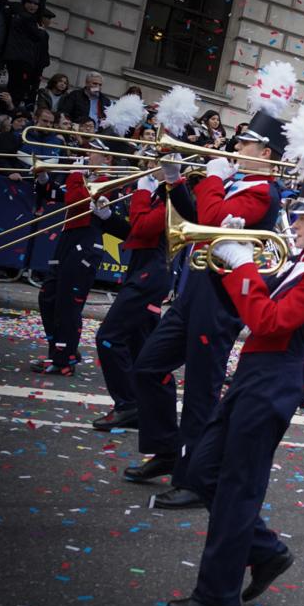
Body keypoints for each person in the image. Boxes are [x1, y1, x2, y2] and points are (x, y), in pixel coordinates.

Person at [164, 171, 304, 606]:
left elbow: (268, 320)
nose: (294, 221)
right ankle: (265, 550)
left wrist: (243, 265)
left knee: (237, 487)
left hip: (274, 379)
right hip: (255, 373)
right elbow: (245, 302)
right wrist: (226, 260)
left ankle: (217, 593)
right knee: (201, 468)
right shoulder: (302, 260)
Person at [126, 71, 294, 509]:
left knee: (201, 391)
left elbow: (214, 215)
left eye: (245, 144)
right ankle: (165, 448)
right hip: (193, 289)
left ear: (266, 152)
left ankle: (195, 480)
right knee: (147, 367)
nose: (236, 148)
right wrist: (175, 181)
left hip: (220, 298)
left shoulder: (263, 192)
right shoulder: (239, 182)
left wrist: (212, 180)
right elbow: (197, 220)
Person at [92, 159, 196, 430]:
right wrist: (107, 218)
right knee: (142, 348)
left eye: (155, 164)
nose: (148, 168)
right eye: (149, 163)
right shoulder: (157, 194)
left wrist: (140, 191)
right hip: (144, 270)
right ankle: (144, 407)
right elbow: (136, 235)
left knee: (108, 338)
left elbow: (142, 227)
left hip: (150, 275)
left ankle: (128, 404)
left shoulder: (171, 198)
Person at [31, 140, 118, 375]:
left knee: (68, 303)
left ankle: (64, 359)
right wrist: (43, 177)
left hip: (87, 243)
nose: (87, 155)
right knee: (48, 295)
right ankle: (60, 351)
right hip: (68, 240)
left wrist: (76, 173)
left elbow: (76, 200)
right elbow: (56, 194)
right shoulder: (85, 178)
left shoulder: (108, 179)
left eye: (92, 152)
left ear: (107, 159)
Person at [0, 0, 49, 109]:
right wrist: (41, 31)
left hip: (14, 59)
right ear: (24, 2)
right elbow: (37, 35)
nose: (33, 6)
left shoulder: (16, 12)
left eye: (36, 4)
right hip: (20, 61)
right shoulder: (26, 17)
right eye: (30, 3)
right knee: (16, 91)